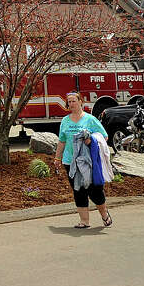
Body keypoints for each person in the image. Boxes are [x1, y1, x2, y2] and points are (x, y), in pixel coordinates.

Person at [53, 92, 113, 229]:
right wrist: (58, 157)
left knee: (94, 190)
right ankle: (84, 221)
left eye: (74, 101)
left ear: (81, 102)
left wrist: (90, 139)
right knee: (78, 190)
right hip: (70, 161)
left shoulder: (90, 119)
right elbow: (62, 141)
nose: (71, 104)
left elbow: (104, 137)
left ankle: (104, 215)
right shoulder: (65, 121)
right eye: (69, 102)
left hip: (88, 161)